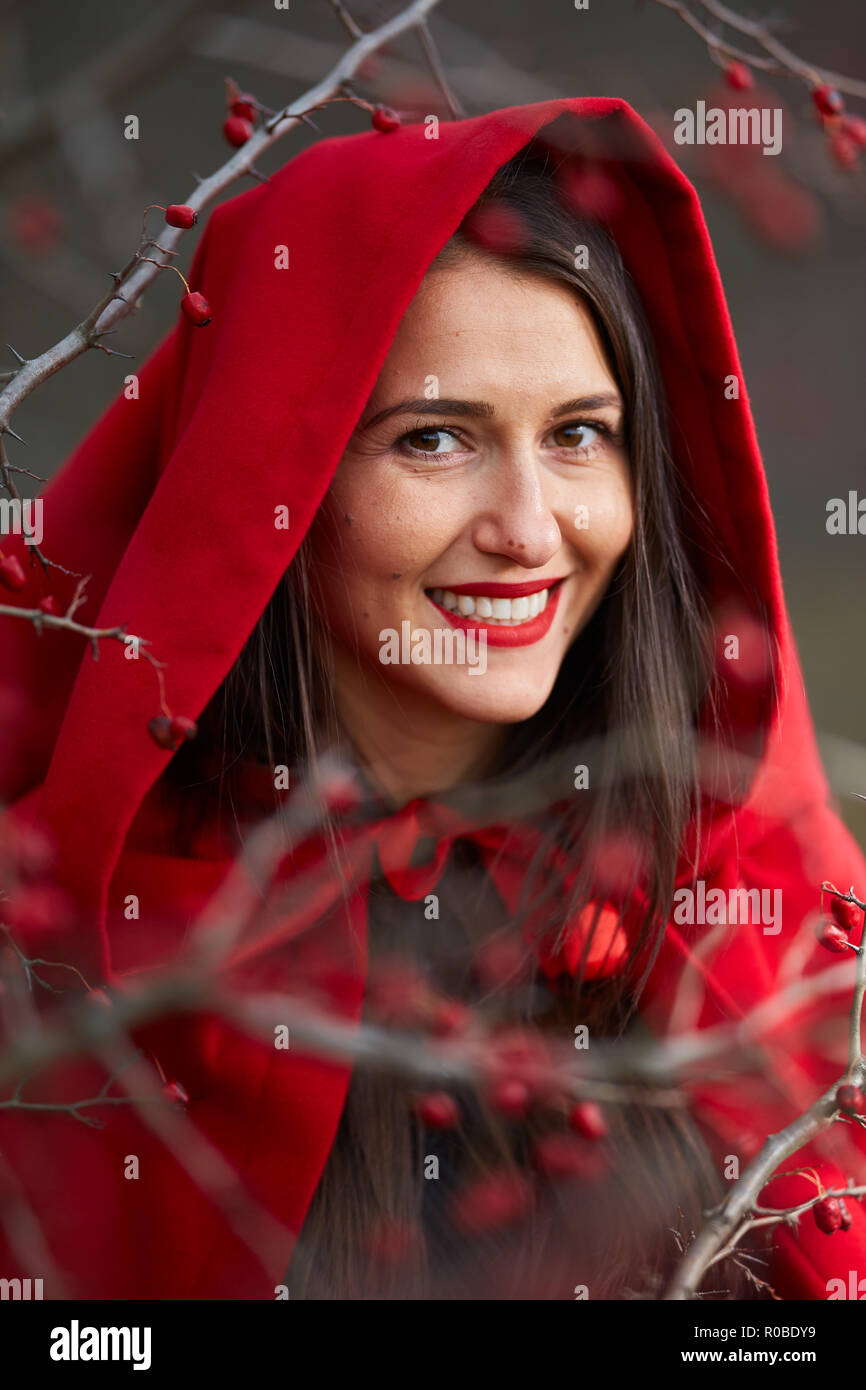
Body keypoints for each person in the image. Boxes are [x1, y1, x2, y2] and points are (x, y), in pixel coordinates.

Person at [0, 97, 864, 1301]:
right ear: (273, 481)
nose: (526, 530)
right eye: (433, 440)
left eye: (577, 434)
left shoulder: (757, 910)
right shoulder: (74, 950)